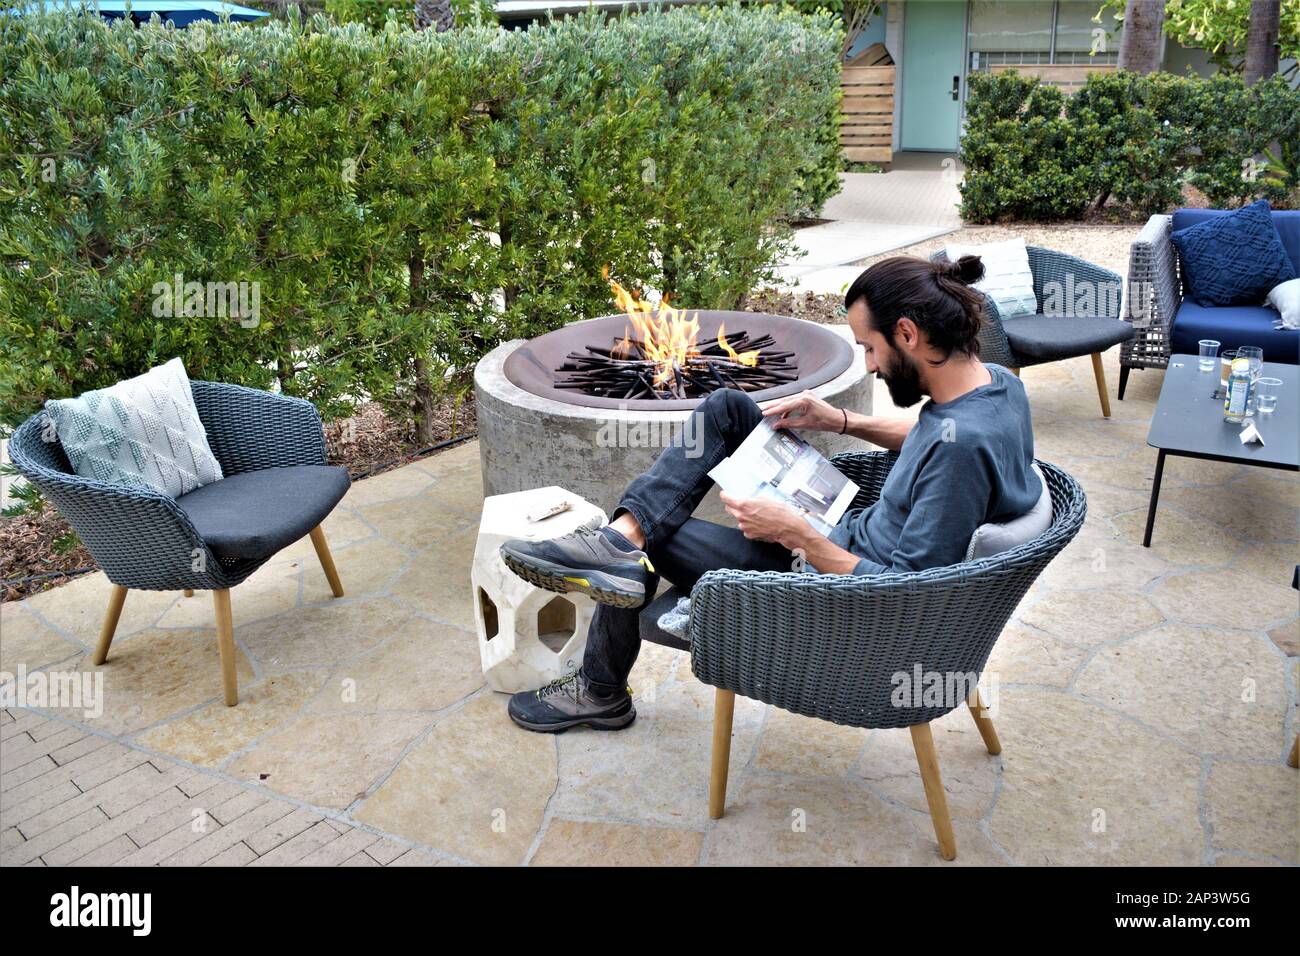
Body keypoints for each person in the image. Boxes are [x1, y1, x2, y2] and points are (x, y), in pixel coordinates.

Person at [498, 254, 1042, 733]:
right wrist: (842, 420)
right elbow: (932, 436)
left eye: (870, 349)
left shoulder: (960, 454)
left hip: (834, 591)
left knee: (655, 540)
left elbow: (907, 593)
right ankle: (619, 541)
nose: (871, 367)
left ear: (907, 333)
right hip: (845, 531)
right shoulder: (994, 384)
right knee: (728, 408)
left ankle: (601, 682)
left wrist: (796, 533)